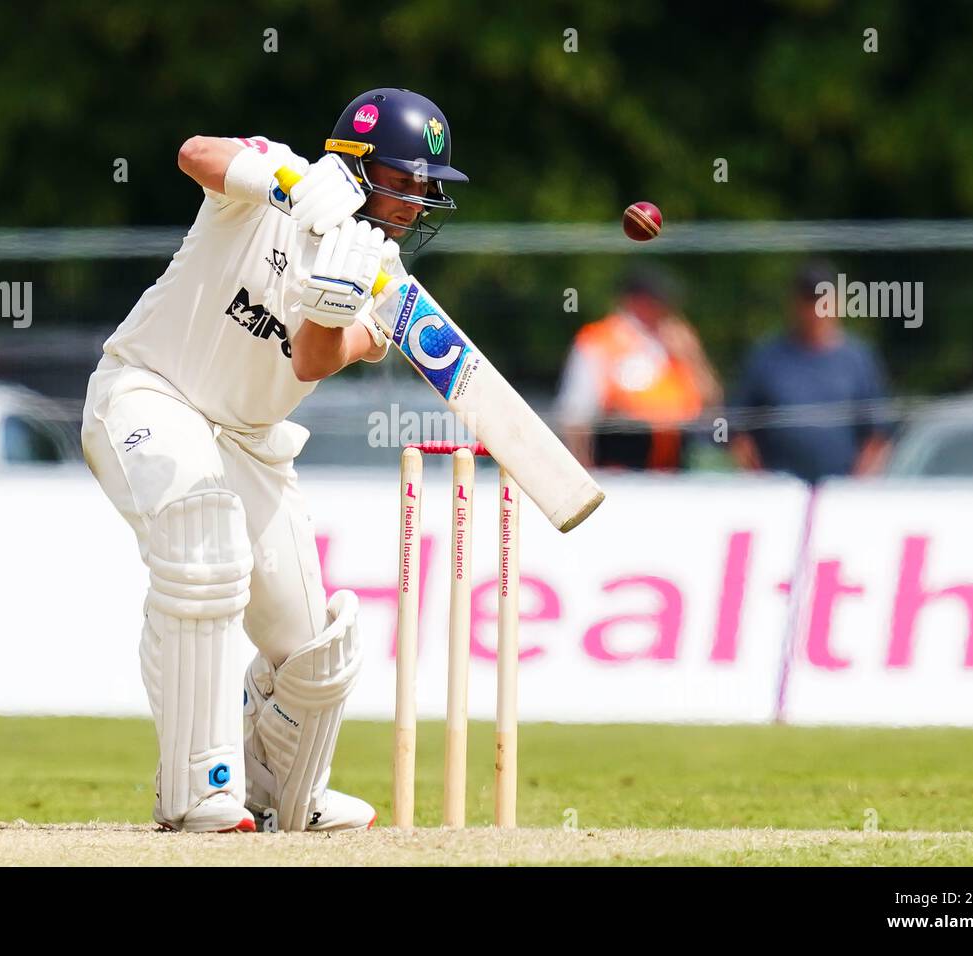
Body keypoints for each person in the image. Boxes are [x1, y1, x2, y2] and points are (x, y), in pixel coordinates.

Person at [80, 88, 467, 833]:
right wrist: (287, 185)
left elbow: (314, 357)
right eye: (408, 183)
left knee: (313, 645)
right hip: (148, 393)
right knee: (202, 542)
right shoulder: (276, 176)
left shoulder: (382, 283)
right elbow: (195, 154)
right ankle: (198, 789)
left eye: (428, 190)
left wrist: (329, 306)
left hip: (250, 442)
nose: (418, 205)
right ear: (357, 166)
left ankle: (286, 793)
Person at [730, 261, 891, 483]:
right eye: (809, 300)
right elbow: (738, 430)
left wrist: (854, 487)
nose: (816, 310)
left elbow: (878, 436)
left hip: (841, 494)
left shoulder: (858, 361)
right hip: (779, 492)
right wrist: (761, 481)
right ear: (794, 303)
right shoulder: (766, 359)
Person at [555, 269, 721, 470]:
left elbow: (712, 406)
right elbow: (576, 415)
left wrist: (693, 357)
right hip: (619, 465)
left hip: (674, 467)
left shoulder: (676, 344)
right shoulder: (600, 341)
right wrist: (583, 470)